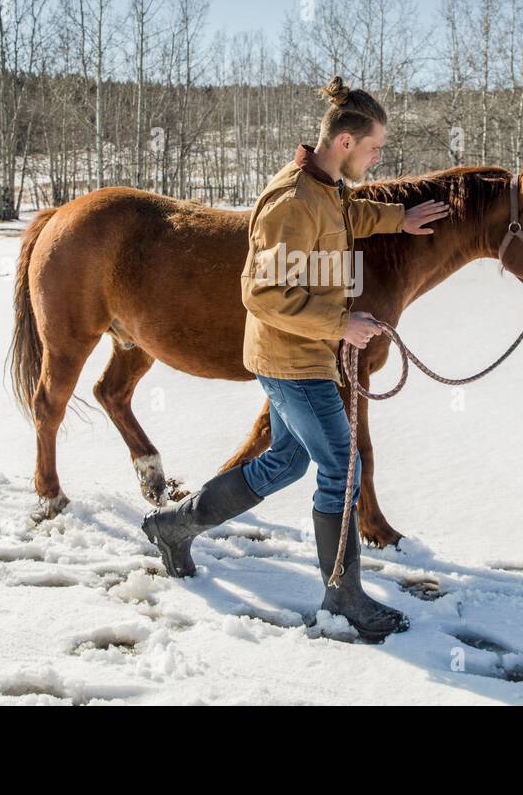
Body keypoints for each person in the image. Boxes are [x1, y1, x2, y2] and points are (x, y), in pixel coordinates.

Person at [142, 76, 450, 642]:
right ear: (347, 143)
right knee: (341, 464)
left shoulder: (325, 187)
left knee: (285, 462)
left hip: (306, 353)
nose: (379, 158)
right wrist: (342, 324)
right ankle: (343, 597)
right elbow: (260, 296)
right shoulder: (289, 203)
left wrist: (398, 220)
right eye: (376, 147)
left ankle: (172, 526)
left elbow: (349, 214)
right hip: (291, 359)